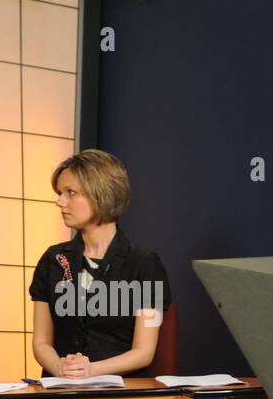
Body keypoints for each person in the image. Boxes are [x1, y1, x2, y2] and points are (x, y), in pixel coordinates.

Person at [29, 149, 171, 378]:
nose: (60, 202)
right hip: (59, 389)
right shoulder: (52, 260)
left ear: (101, 194)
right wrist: (59, 368)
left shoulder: (144, 263)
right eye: (60, 193)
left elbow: (143, 352)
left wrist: (91, 370)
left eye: (70, 193)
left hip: (119, 391)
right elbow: (41, 341)